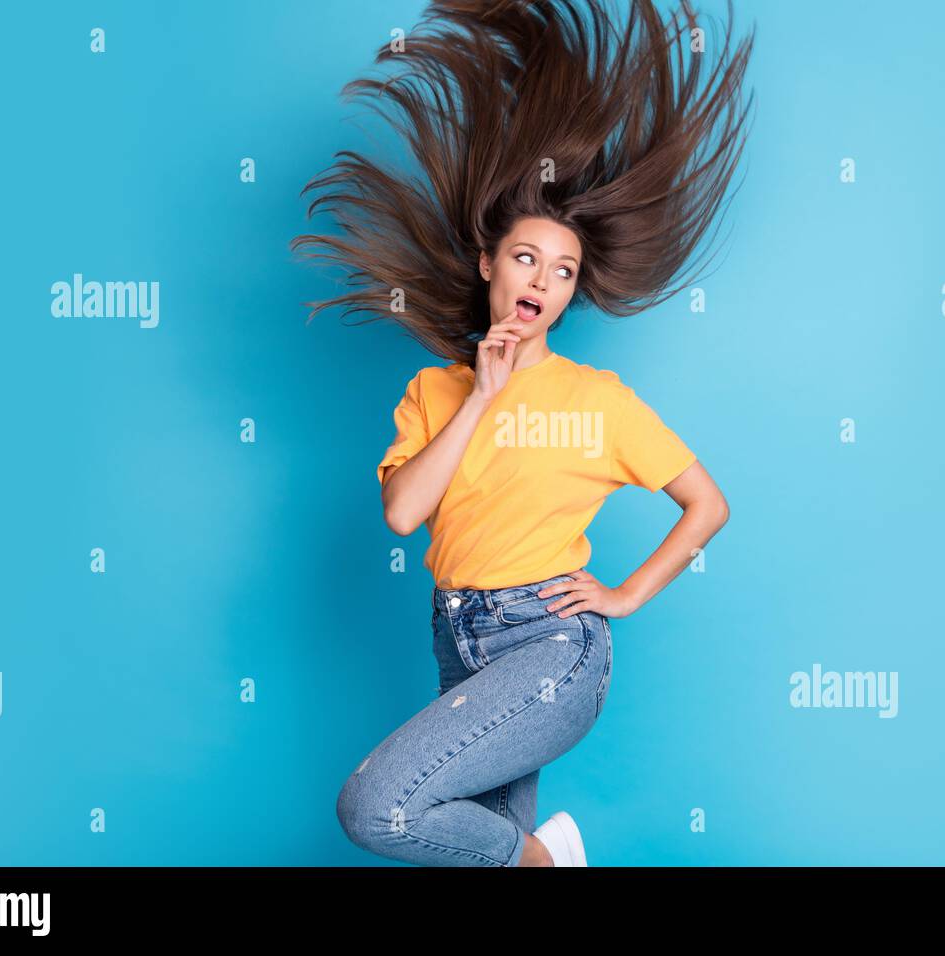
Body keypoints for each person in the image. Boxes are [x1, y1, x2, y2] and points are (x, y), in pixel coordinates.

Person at [291, 0, 753, 866]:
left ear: (573, 292)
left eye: (565, 269)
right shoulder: (435, 391)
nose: (545, 278)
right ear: (489, 266)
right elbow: (402, 514)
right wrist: (481, 397)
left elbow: (706, 504)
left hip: (550, 645)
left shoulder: (599, 399)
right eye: (528, 258)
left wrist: (621, 596)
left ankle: (549, 860)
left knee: (377, 809)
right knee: (474, 853)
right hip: (458, 638)